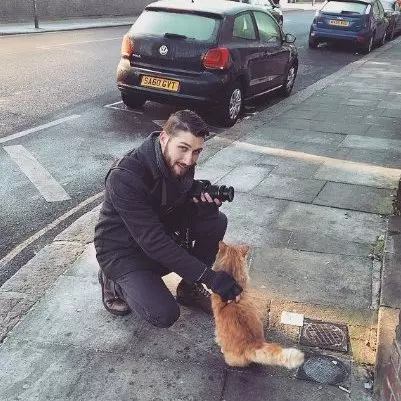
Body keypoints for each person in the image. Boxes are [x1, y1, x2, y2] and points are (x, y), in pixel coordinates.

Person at [94, 109, 242, 328]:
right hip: (122, 252)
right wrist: (210, 277)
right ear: (164, 138)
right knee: (163, 314)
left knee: (217, 221)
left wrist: (205, 209)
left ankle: (189, 289)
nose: (189, 160)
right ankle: (114, 282)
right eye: (183, 148)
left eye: (196, 152)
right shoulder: (125, 176)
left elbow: (178, 209)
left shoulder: (181, 163)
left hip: (158, 238)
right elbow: (153, 241)